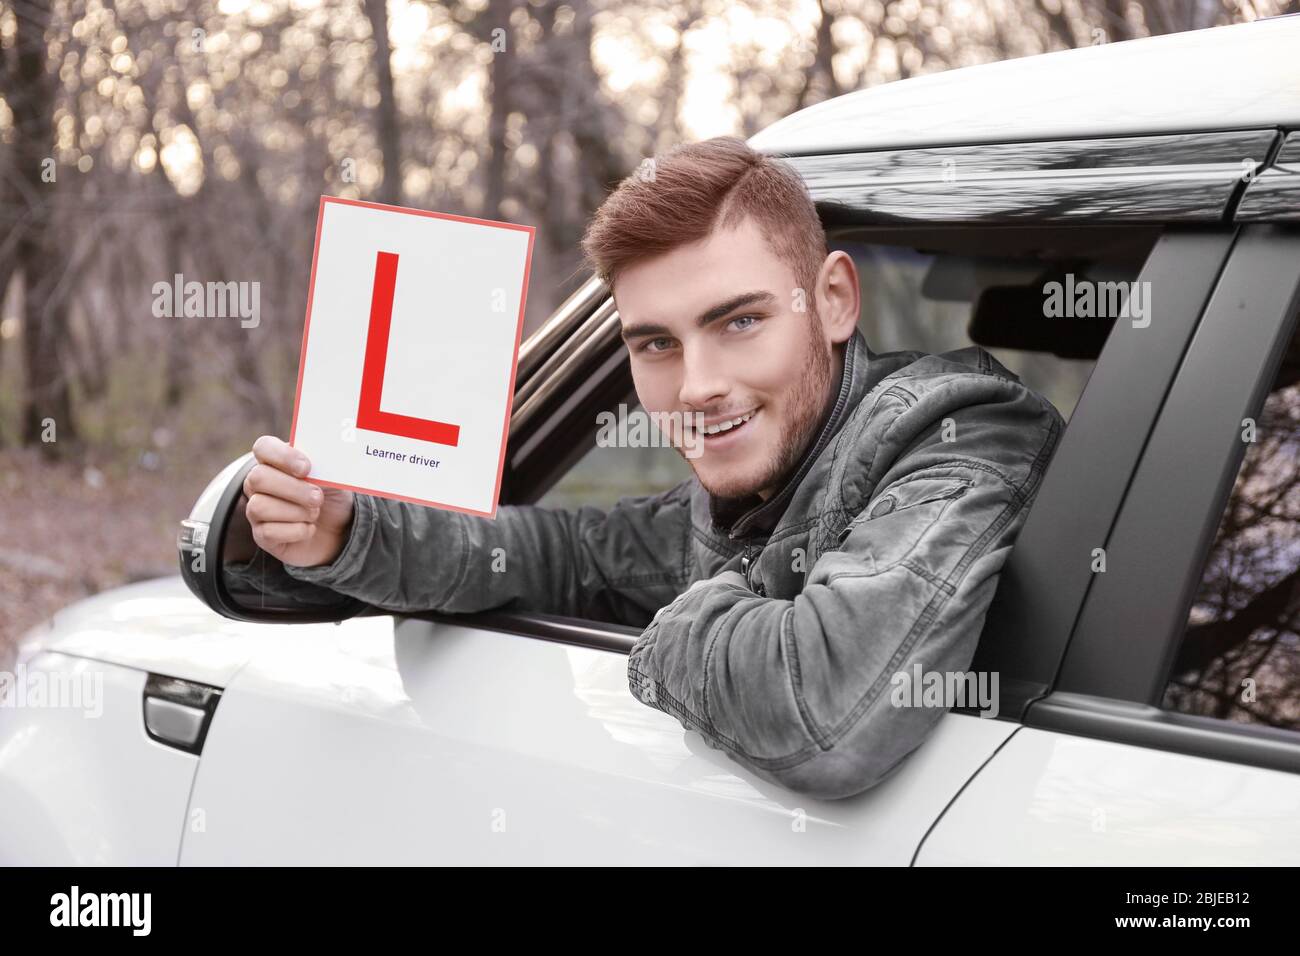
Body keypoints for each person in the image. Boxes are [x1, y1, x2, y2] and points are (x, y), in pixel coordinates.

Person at [229, 136, 1064, 799]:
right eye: (656, 343)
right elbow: (553, 554)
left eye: (739, 322)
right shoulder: (752, 489)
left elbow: (825, 711)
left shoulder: (960, 433)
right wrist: (348, 529)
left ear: (835, 300)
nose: (696, 386)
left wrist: (668, 633)